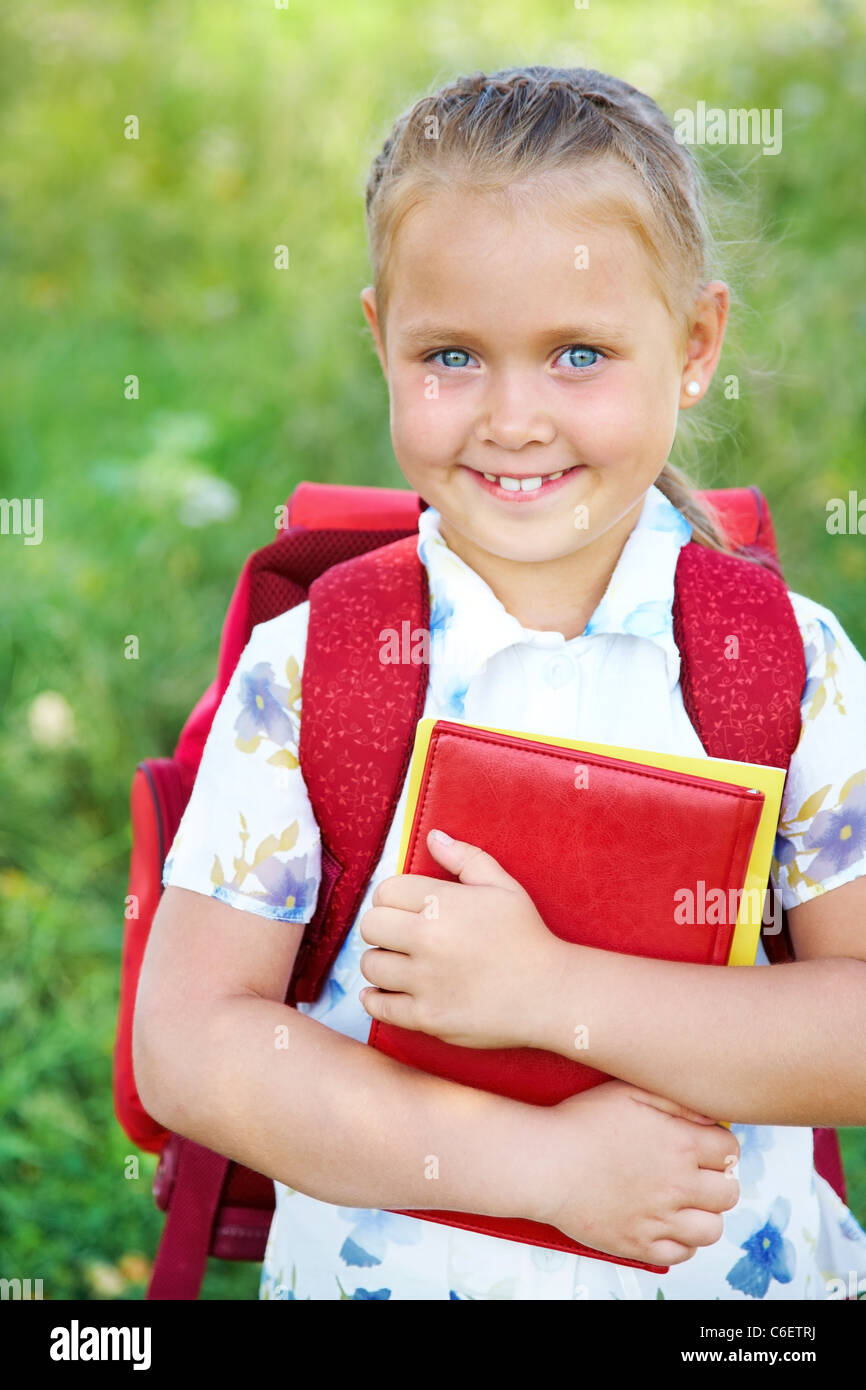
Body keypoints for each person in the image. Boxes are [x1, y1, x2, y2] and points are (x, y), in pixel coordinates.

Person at [134, 65, 866, 1300]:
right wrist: (541, 1166)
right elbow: (191, 1046)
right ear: (380, 341)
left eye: (577, 353)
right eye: (451, 356)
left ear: (693, 346)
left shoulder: (785, 671)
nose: (513, 417)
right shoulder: (319, 670)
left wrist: (552, 994)